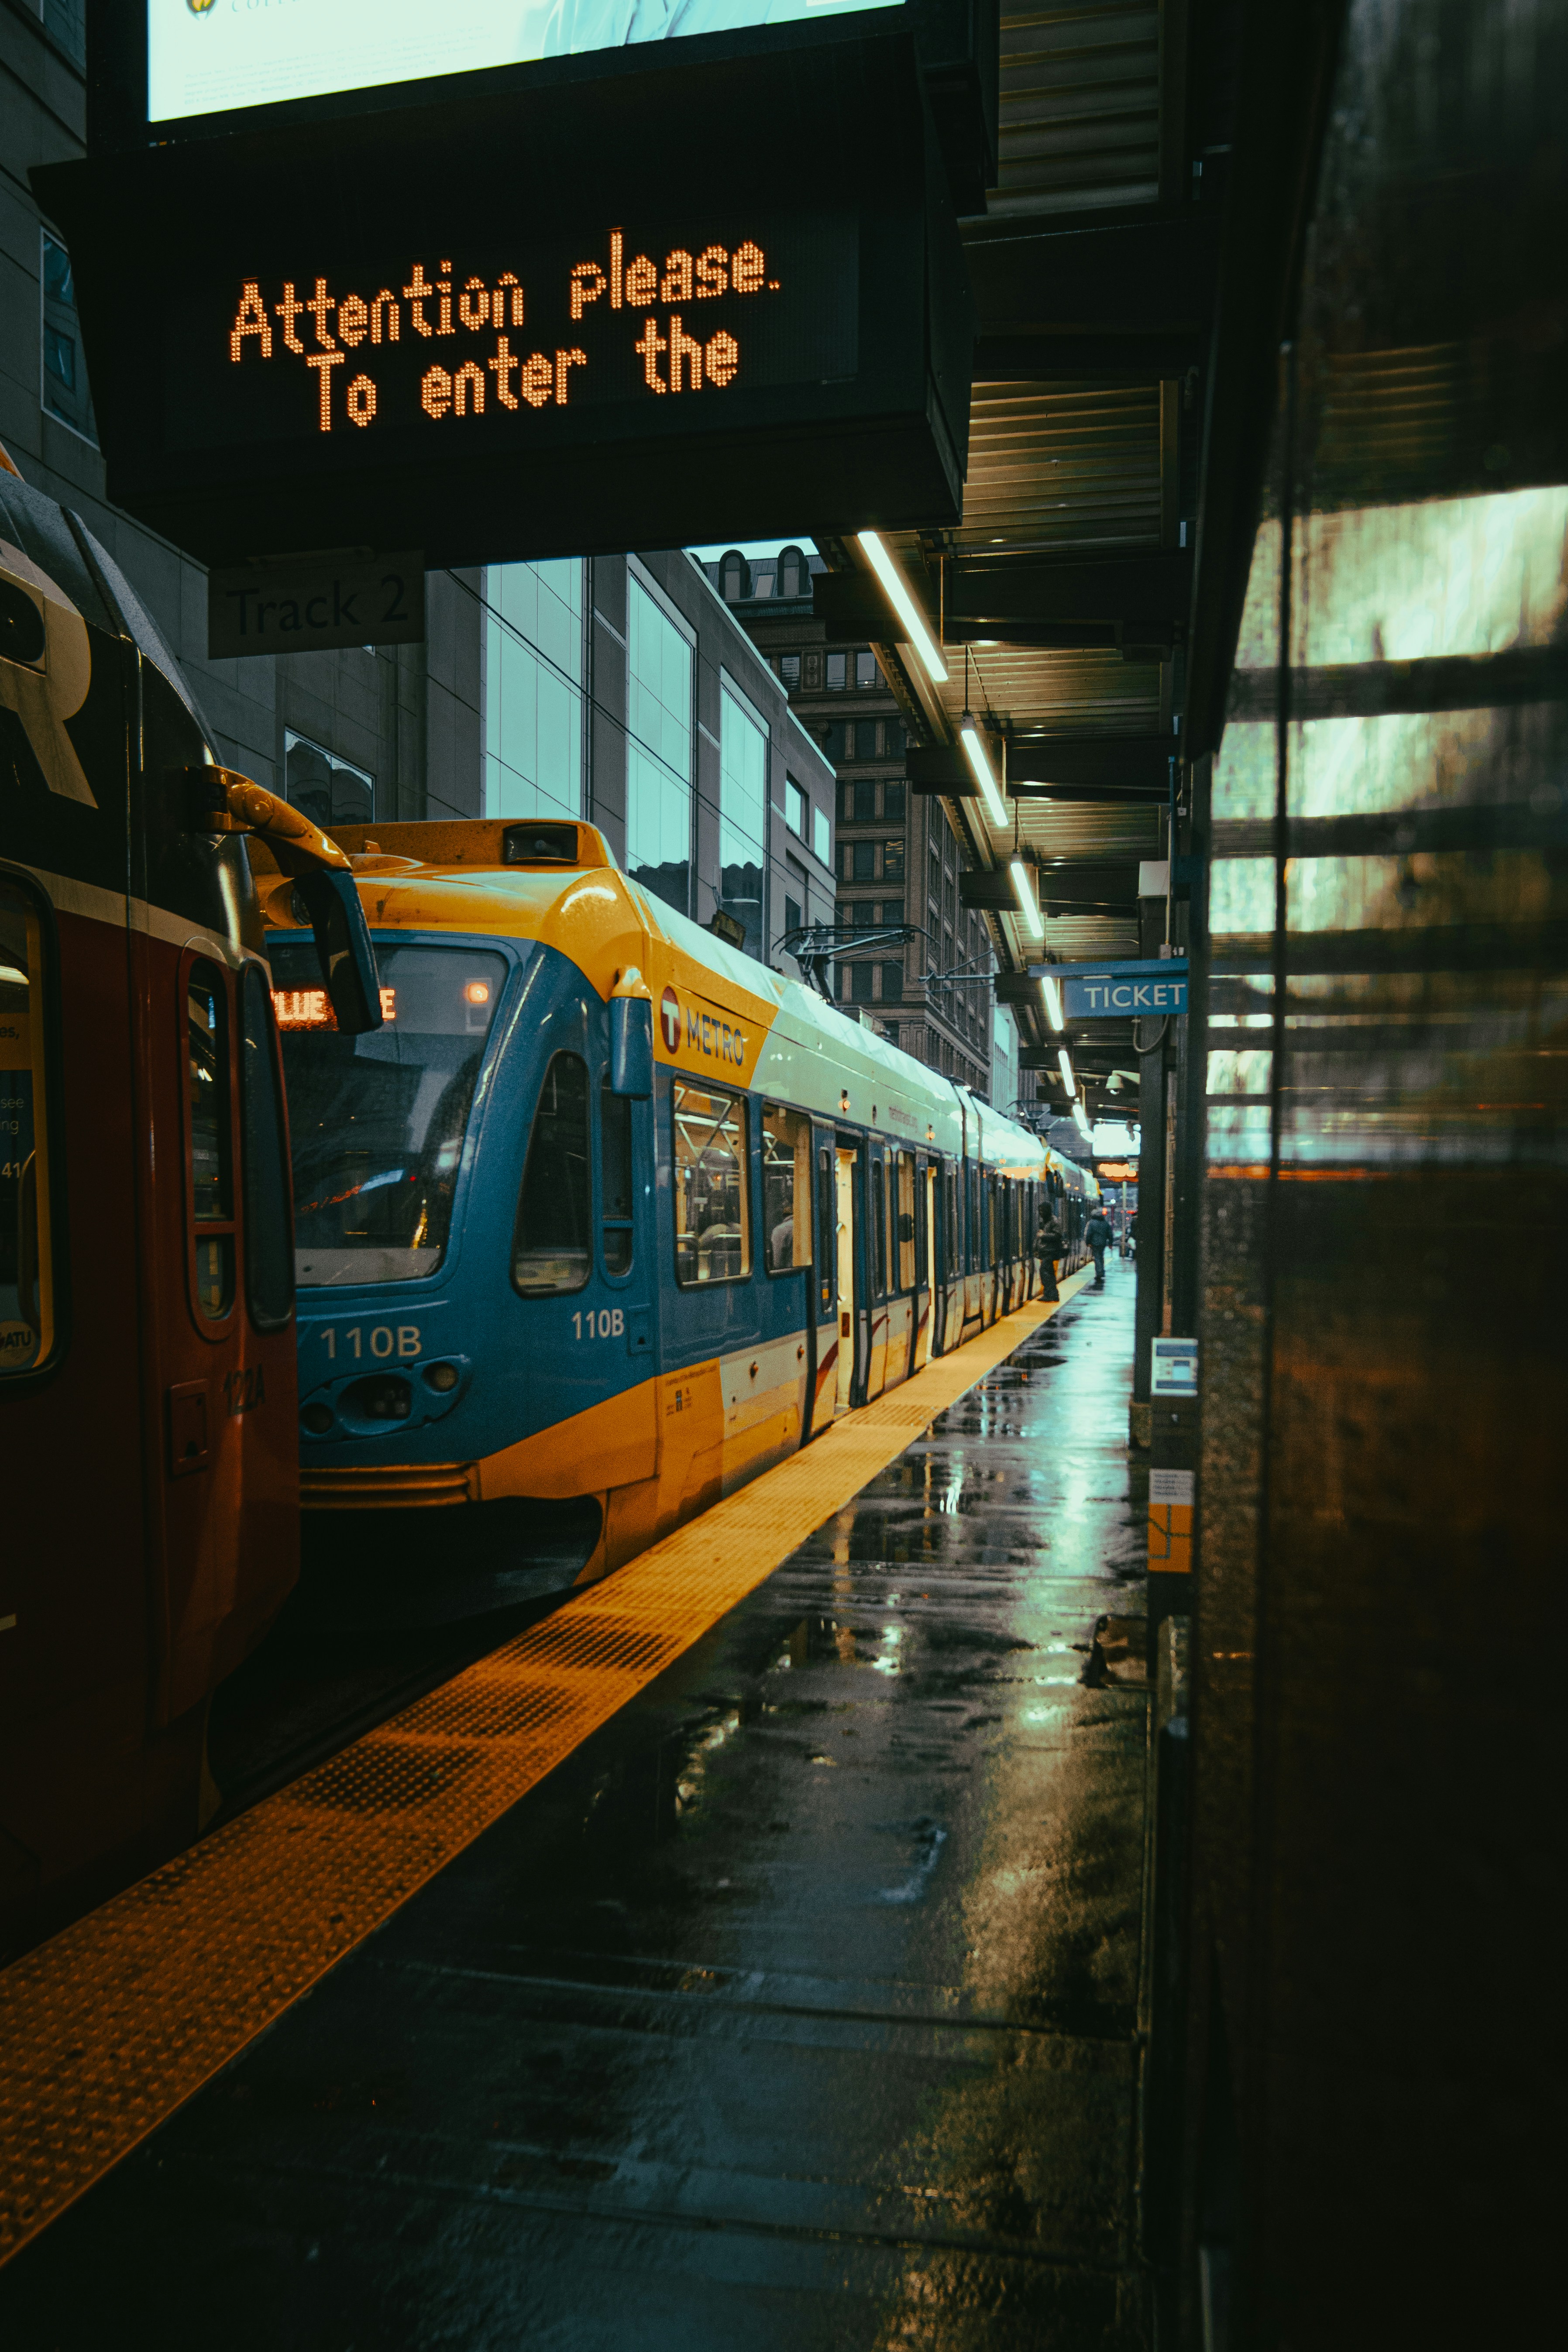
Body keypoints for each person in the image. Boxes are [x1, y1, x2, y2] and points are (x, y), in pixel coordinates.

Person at [1037, 1203, 1064, 1302]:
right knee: (1048, 1273)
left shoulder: (1054, 1221)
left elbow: (1058, 1235)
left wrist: (1044, 1235)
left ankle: (1051, 1295)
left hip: (1051, 1251)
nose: (1041, 1213)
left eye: (1043, 1211)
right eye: (1040, 1211)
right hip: (1046, 1251)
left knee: (1046, 1273)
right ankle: (1050, 1294)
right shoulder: (1045, 1222)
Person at [1084, 1204, 1113, 1289]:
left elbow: (1089, 1234)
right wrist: (1111, 1243)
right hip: (1103, 1243)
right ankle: (1102, 1271)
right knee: (1101, 1257)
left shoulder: (1092, 1223)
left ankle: (1099, 1273)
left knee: (1097, 1258)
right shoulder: (1105, 1223)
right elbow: (1110, 1234)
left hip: (1095, 1243)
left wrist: (1088, 1242)